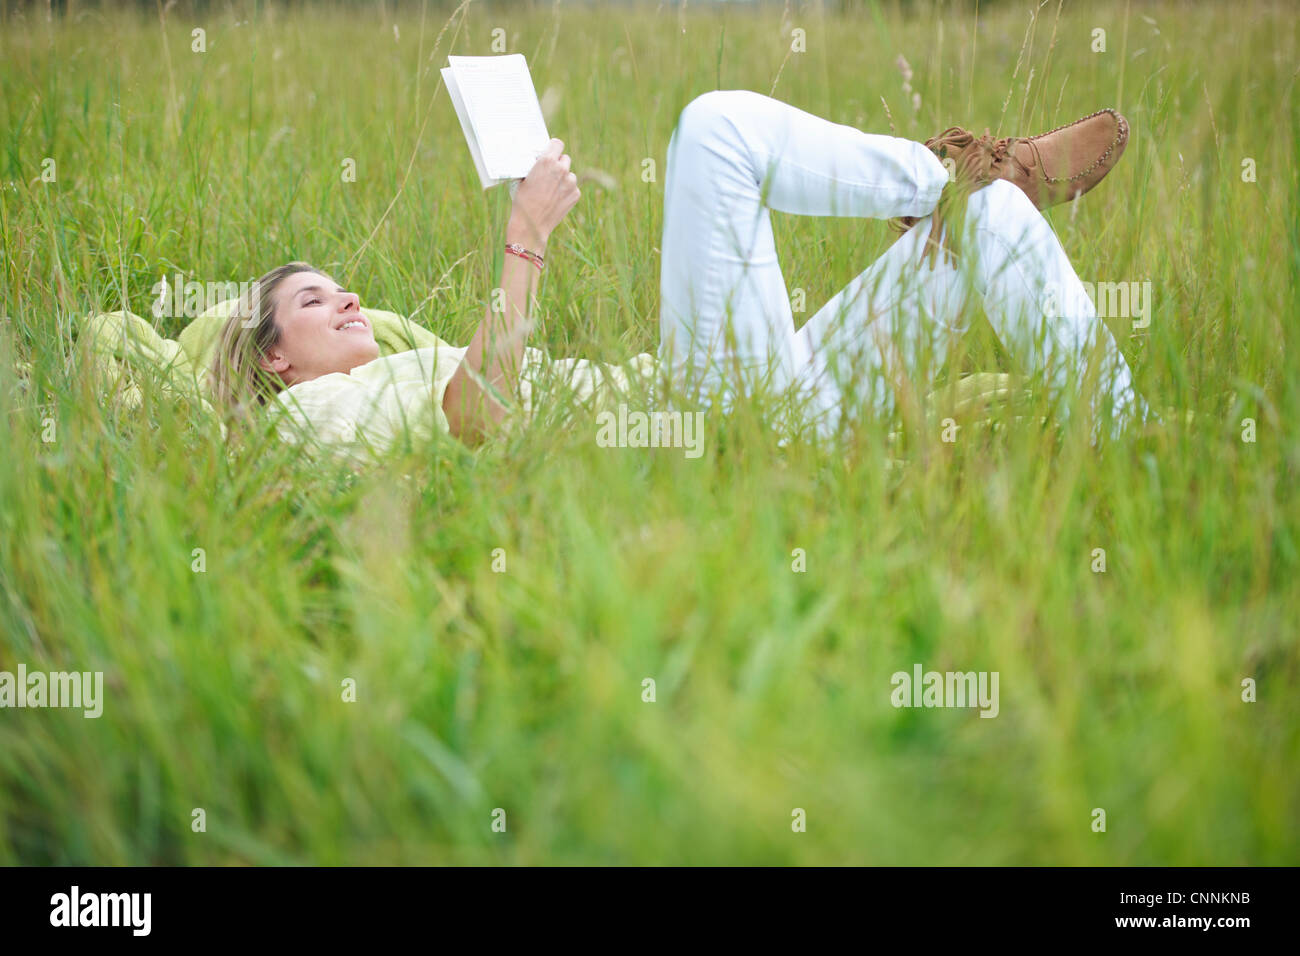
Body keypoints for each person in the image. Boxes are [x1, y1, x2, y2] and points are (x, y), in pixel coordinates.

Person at [209, 89, 1153, 456]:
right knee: (715, 129)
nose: (346, 299)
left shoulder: (386, 370)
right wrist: (526, 240)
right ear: (275, 361)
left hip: (775, 402)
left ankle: (1131, 440)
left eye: (338, 287)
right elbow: (476, 423)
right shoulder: (304, 423)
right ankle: (953, 167)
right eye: (311, 300)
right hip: (710, 428)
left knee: (986, 222)